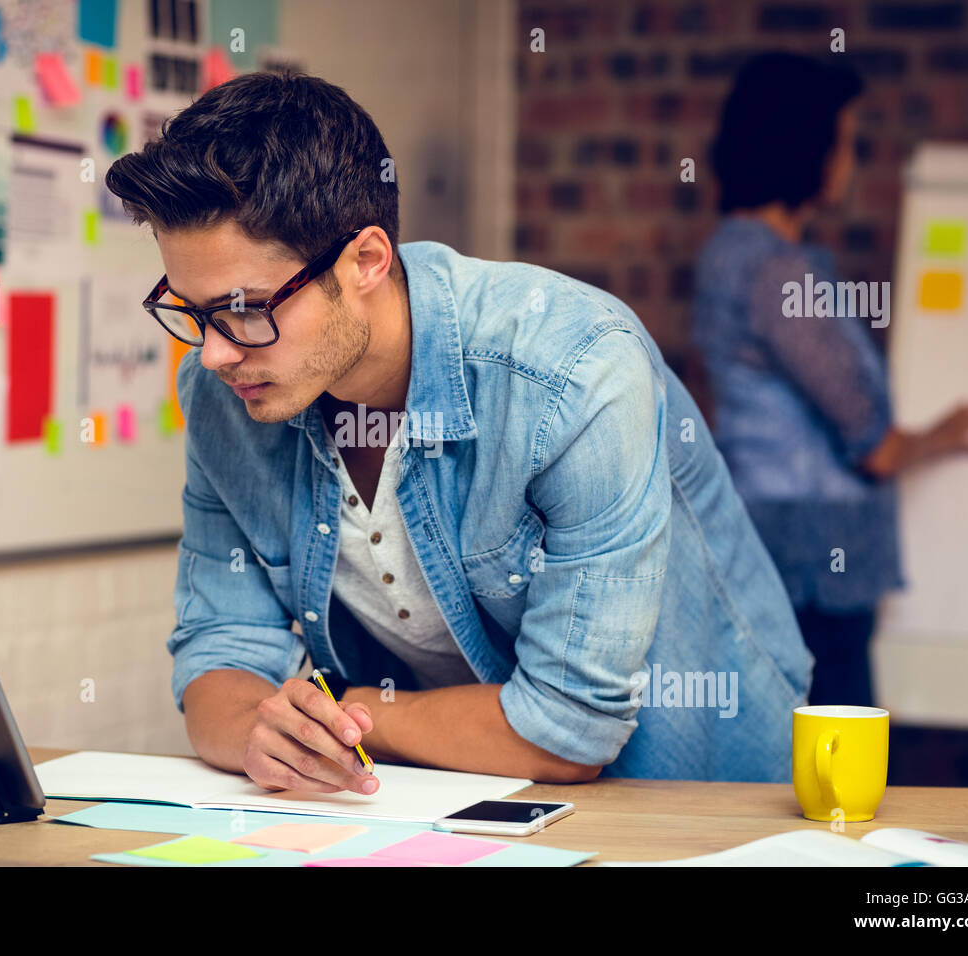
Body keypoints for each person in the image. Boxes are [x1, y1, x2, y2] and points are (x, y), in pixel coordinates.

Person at [106, 69, 812, 792]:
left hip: (701, 787)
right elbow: (220, 650)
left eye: (246, 308)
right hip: (455, 786)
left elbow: (568, 732)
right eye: (190, 311)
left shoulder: (575, 370)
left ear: (366, 262)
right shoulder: (226, 393)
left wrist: (343, 717)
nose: (215, 352)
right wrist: (266, 732)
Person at [693, 52, 968, 709]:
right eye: (845, 141)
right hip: (812, 568)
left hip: (772, 552)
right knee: (836, 755)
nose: (850, 162)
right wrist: (941, 435)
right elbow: (873, 445)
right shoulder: (776, 273)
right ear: (807, 148)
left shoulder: (728, 253)